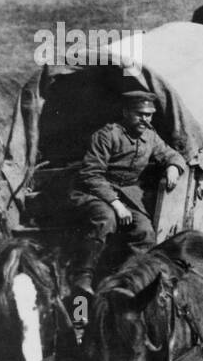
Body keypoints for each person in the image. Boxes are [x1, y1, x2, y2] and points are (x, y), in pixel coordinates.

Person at [67, 80, 187, 295]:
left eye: (149, 115)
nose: (145, 119)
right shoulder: (107, 135)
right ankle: (83, 277)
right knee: (106, 219)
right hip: (94, 192)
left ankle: (129, 282)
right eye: (139, 114)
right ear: (125, 112)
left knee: (144, 232)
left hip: (128, 196)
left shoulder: (149, 136)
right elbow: (91, 174)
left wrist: (174, 167)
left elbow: (171, 154)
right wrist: (115, 204)